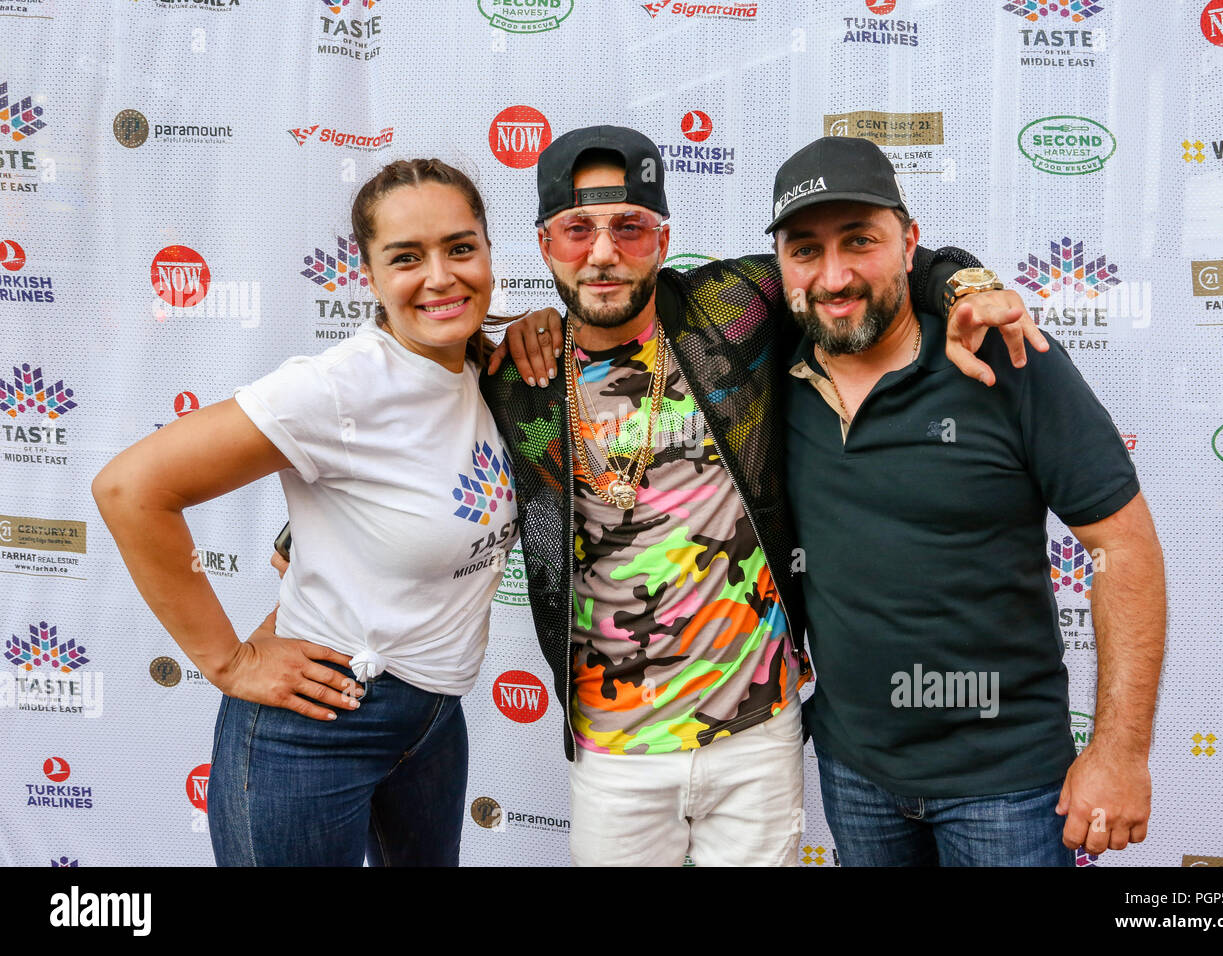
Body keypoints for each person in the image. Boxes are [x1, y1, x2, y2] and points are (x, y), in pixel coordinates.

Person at [483, 125, 1044, 866]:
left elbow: (868, 265)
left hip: (758, 734)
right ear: (546, 242)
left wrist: (964, 283)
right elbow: (415, 438)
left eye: (630, 227)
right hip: (612, 748)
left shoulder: (729, 308)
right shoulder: (517, 378)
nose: (603, 252)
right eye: (577, 230)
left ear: (662, 236)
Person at [92, 158, 520, 866]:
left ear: (487, 251)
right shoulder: (339, 389)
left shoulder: (477, 367)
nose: (441, 276)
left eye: (460, 247)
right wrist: (227, 661)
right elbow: (129, 490)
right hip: (317, 726)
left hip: (437, 719)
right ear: (369, 275)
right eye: (407, 257)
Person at [771, 136, 1166, 866]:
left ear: (910, 242)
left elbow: (1124, 545)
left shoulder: (1006, 356)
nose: (834, 275)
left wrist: (1120, 751)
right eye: (805, 250)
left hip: (1009, 786)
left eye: (861, 241)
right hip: (854, 774)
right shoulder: (766, 370)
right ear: (782, 265)